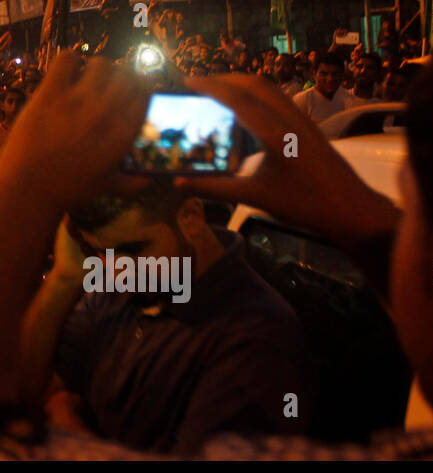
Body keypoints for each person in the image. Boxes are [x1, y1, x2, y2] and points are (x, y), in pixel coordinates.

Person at [0, 13, 433, 460]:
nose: (118, 269)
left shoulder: (254, 346)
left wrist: (28, 176)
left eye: (407, 208)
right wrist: (370, 226)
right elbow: (27, 383)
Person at [19, 184, 307, 454]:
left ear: (191, 216)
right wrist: (64, 279)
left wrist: (66, 423)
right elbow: (25, 389)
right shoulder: (121, 287)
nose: (117, 272)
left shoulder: (255, 333)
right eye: (100, 252)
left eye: (132, 249)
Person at [292, 53, 355, 121]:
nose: (330, 79)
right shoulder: (303, 100)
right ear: (314, 74)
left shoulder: (345, 100)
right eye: (324, 74)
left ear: (342, 75)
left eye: (335, 74)